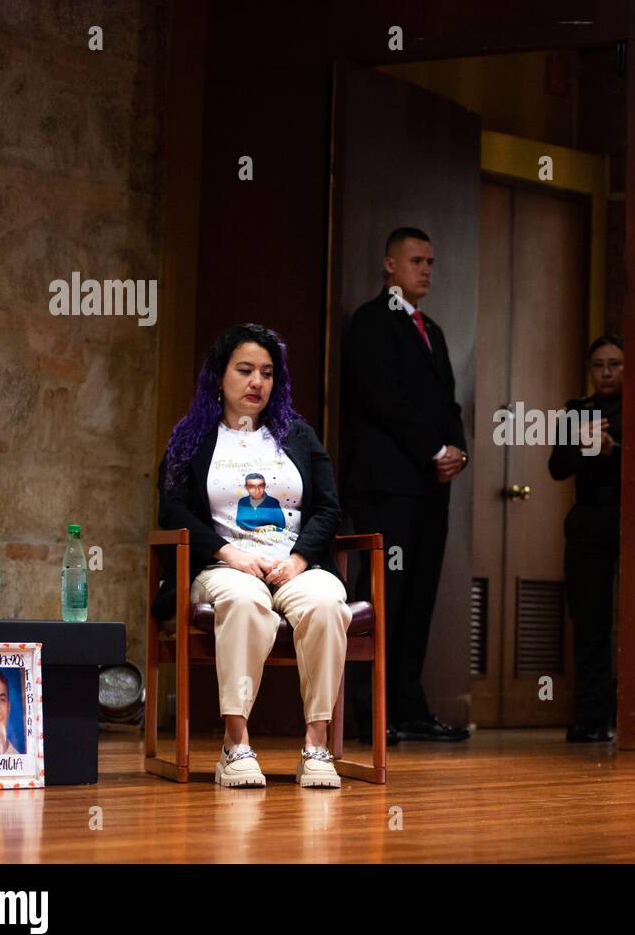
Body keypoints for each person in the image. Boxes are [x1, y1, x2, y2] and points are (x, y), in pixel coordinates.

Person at [154, 323, 353, 789]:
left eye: (266, 372)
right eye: (244, 370)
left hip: (295, 565)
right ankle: (235, 744)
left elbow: (328, 508)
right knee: (244, 601)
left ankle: (317, 744)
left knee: (326, 603)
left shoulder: (297, 435)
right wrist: (229, 554)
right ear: (219, 375)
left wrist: (299, 560)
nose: (256, 382)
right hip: (223, 566)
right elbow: (172, 509)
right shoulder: (193, 437)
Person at [343, 227, 470, 742]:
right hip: (387, 485)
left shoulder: (431, 329)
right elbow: (384, 399)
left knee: (419, 597)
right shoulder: (372, 321)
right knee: (383, 594)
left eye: (431, 262)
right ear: (390, 265)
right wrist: (434, 450)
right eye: (417, 261)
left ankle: (410, 707)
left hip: (430, 487)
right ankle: (370, 714)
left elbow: (448, 403)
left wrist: (457, 451)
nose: (426, 271)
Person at [549, 335, 624, 742]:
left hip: (632, 518)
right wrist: (583, 446)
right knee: (588, 619)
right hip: (589, 516)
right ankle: (591, 718)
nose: (606, 373)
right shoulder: (576, 411)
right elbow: (557, 467)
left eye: (615, 364)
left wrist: (612, 449)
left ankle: (625, 716)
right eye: (598, 365)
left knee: (631, 620)